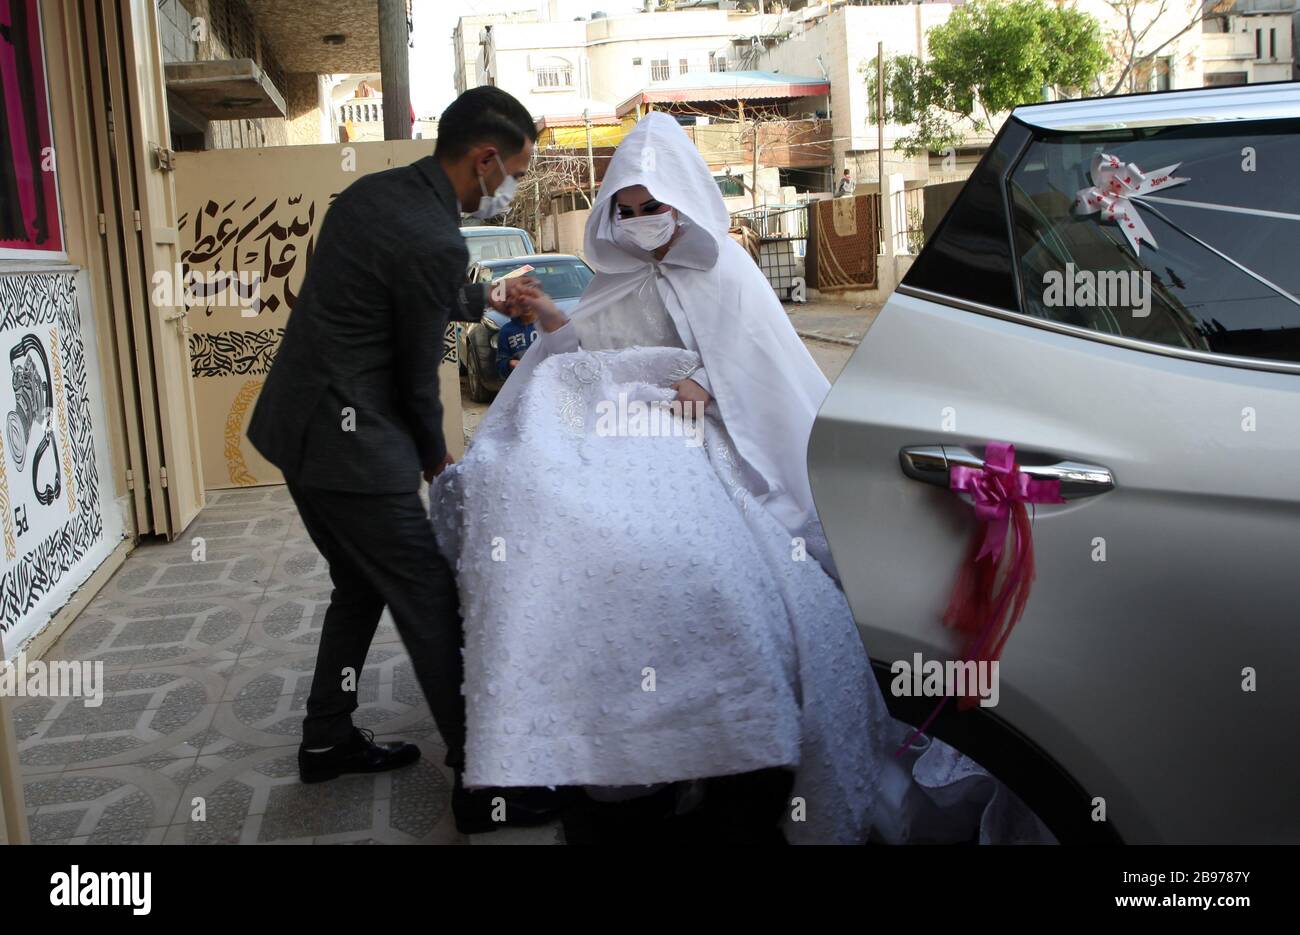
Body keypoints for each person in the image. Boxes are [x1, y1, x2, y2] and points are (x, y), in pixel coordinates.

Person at [430, 113, 881, 843]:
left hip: (710, 441)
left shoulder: (728, 272)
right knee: (559, 515)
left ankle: (728, 739)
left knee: (714, 565)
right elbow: (587, 349)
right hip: (627, 430)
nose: (641, 223)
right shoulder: (615, 279)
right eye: (628, 212)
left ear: (684, 202)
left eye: (654, 208)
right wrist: (548, 312)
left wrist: (707, 378)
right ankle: (603, 731)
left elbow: (758, 365)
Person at [245, 86, 552, 833]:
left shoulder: (374, 196)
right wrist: (436, 458)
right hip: (353, 451)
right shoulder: (433, 236)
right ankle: (482, 779)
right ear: (484, 159)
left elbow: (410, 282)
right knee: (430, 597)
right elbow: (419, 374)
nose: (511, 186)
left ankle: (326, 734)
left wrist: (489, 299)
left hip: (298, 429)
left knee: (358, 585)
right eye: (513, 171)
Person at [496, 299, 538, 379]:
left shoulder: (545, 326)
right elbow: (500, 364)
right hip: (520, 382)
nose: (526, 306)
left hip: (546, 381)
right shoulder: (506, 331)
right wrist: (510, 363)